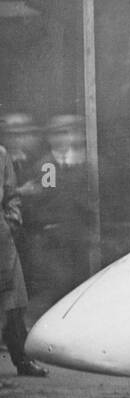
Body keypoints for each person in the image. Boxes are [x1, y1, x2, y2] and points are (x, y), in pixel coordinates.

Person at [22, 114, 92, 303]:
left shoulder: (85, 161)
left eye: (69, 132)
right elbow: (47, 195)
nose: (65, 138)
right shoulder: (48, 165)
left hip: (78, 235)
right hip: (55, 239)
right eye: (59, 133)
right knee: (60, 288)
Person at [0, 143, 45, 379]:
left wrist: (10, 223)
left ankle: (22, 358)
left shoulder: (1, 154)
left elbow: (11, 195)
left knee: (14, 303)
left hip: (1, 240)